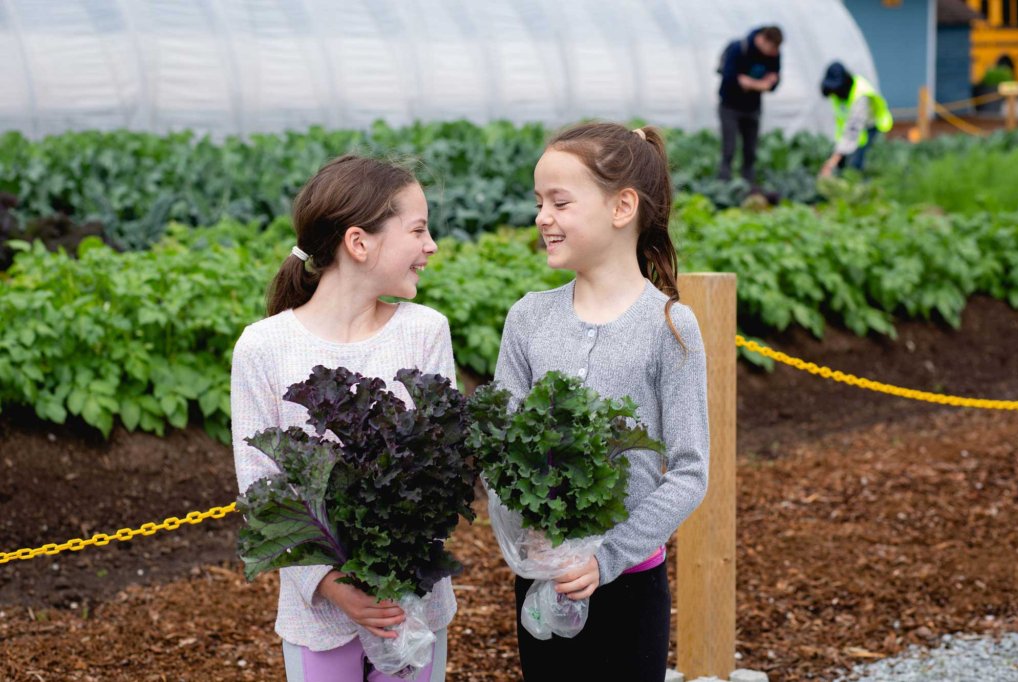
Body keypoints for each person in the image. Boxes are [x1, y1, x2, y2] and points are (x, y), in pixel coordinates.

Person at [494, 122, 711, 681]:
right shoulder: (528, 318)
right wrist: (523, 524)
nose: (543, 217)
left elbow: (690, 472)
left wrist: (607, 556)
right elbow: (501, 447)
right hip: (544, 576)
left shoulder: (669, 326)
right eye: (539, 202)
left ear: (622, 207)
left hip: (632, 584)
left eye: (560, 202)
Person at [231, 155, 454, 682]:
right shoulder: (263, 347)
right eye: (418, 230)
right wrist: (332, 585)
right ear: (359, 242)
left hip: (411, 607)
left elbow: (444, 468)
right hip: (319, 619)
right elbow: (261, 489)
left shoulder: (425, 331)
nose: (431, 246)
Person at [717, 25, 784, 184]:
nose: (774, 53)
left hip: (752, 108)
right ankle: (723, 185)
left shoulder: (774, 54)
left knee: (750, 151)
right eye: (772, 48)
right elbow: (730, 78)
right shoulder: (739, 48)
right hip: (729, 106)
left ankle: (748, 186)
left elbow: (773, 83)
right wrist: (761, 84)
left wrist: (749, 83)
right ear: (763, 40)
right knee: (729, 149)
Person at [818, 61, 893, 176]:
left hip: (870, 128)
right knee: (842, 164)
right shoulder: (839, 95)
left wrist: (833, 161)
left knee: (856, 165)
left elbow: (853, 130)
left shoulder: (861, 95)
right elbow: (843, 124)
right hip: (852, 132)